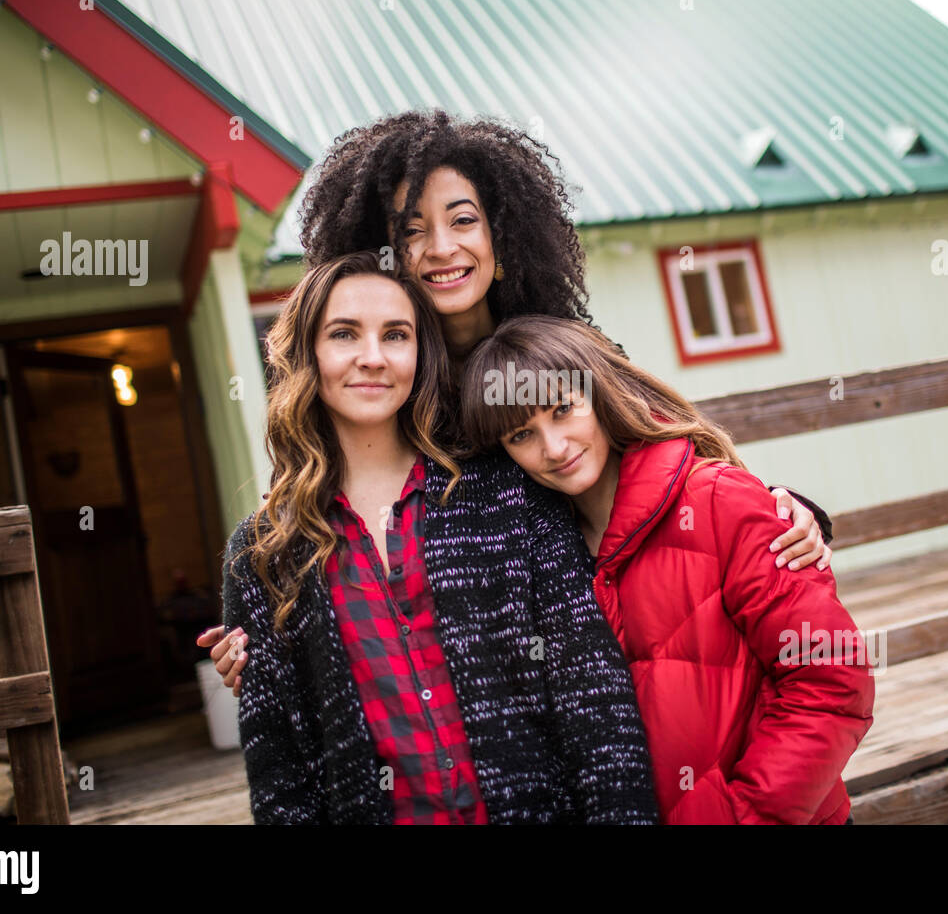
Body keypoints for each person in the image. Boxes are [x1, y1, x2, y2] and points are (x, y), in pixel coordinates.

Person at [201, 109, 832, 694]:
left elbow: (666, 453)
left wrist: (786, 512)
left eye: (463, 220)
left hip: (612, 636)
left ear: (501, 234)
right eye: (412, 231)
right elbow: (334, 496)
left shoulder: (552, 347)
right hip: (482, 679)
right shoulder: (382, 377)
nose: (443, 247)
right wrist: (268, 630)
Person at [222, 251, 658, 823]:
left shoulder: (507, 491)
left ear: (420, 355)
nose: (373, 358)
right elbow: (281, 777)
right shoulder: (264, 553)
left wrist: (778, 506)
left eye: (396, 335)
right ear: (309, 353)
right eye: (345, 334)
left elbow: (593, 699)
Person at [457, 315, 876, 824]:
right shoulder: (536, 557)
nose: (555, 447)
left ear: (600, 394)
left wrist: (743, 816)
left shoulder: (718, 499)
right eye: (523, 434)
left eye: (563, 409)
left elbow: (830, 678)